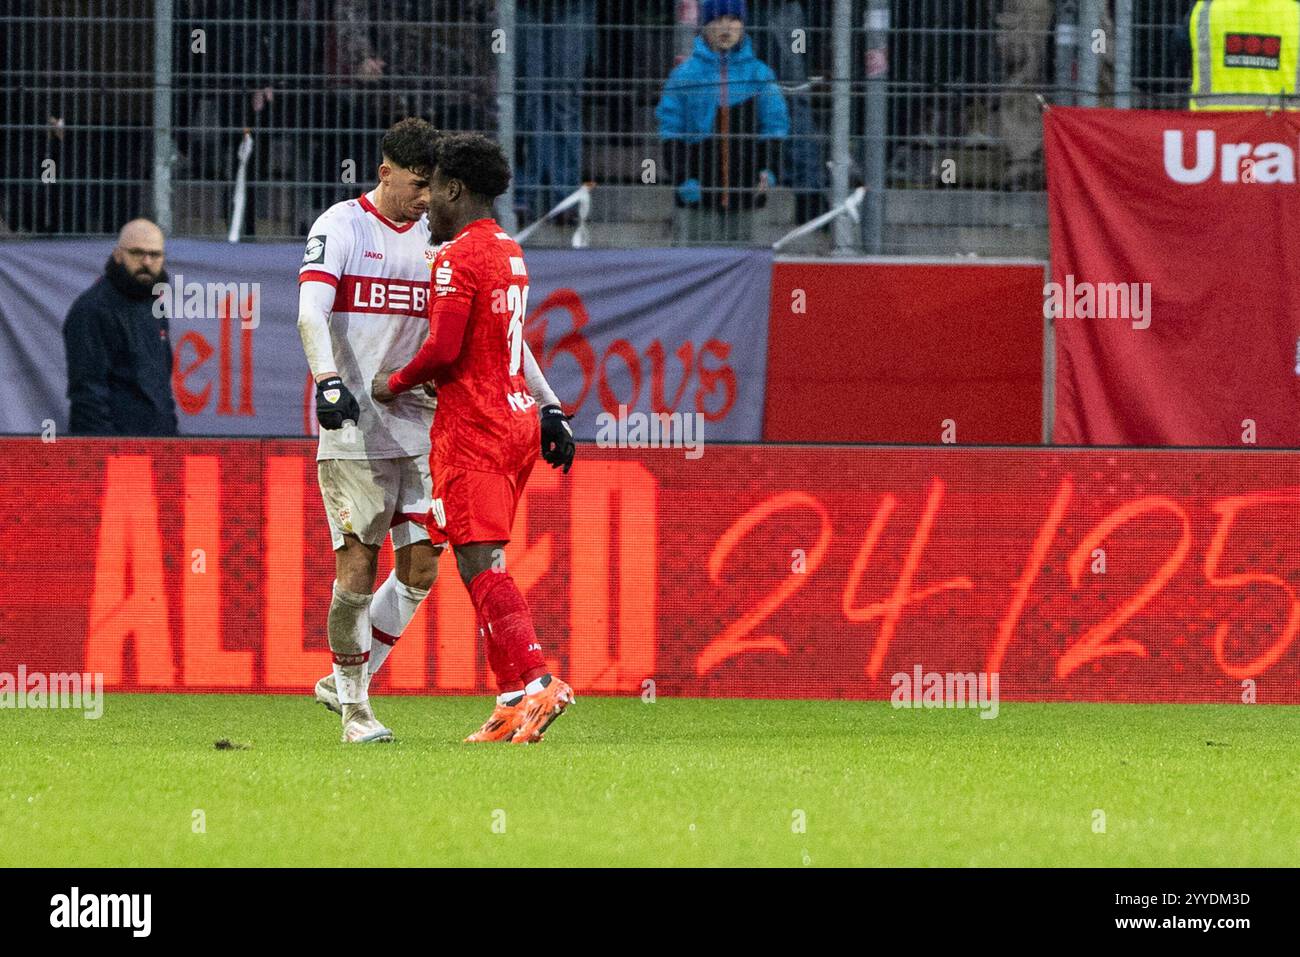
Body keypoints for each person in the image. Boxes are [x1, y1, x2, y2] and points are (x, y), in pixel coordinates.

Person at [299, 120, 568, 743]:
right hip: (356, 426)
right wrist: (327, 381)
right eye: (417, 184)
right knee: (357, 572)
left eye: (433, 187)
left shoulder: (444, 239)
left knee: (422, 568)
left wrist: (549, 402)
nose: (425, 199)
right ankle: (357, 711)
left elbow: (493, 333)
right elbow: (310, 310)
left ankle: (346, 683)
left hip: (429, 428)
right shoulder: (340, 226)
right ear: (385, 170)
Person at [373, 132, 577, 745]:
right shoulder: (510, 250)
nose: (427, 201)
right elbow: (501, 344)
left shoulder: (456, 257)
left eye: (434, 189)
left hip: (475, 430)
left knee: (481, 565)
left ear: (455, 190)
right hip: (515, 422)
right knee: (479, 562)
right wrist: (549, 407)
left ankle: (540, 683)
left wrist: (395, 382)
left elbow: (444, 348)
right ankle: (512, 696)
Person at [657, 0, 789, 244]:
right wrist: (682, 177)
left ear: (743, 26)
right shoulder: (684, 76)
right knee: (695, 261)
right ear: (705, 26)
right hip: (697, 195)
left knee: (747, 262)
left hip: (747, 194)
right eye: (717, 20)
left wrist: (769, 170)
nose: (726, 27)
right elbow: (670, 130)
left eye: (733, 19)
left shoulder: (760, 75)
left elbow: (775, 126)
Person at [63, 219, 178, 436]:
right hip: (115, 453)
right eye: (137, 253)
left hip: (159, 447)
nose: (147, 261)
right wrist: (105, 455)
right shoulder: (93, 309)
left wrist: (170, 438)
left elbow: (161, 387)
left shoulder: (154, 305)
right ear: (117, 255)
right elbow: (88, 396)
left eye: (155, 255)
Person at [1188, 0, 1300, 110]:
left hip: (1215, 122)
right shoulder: (1295, 12)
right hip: (1282, 122)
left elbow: (1179, 49)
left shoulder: (1207, 9)